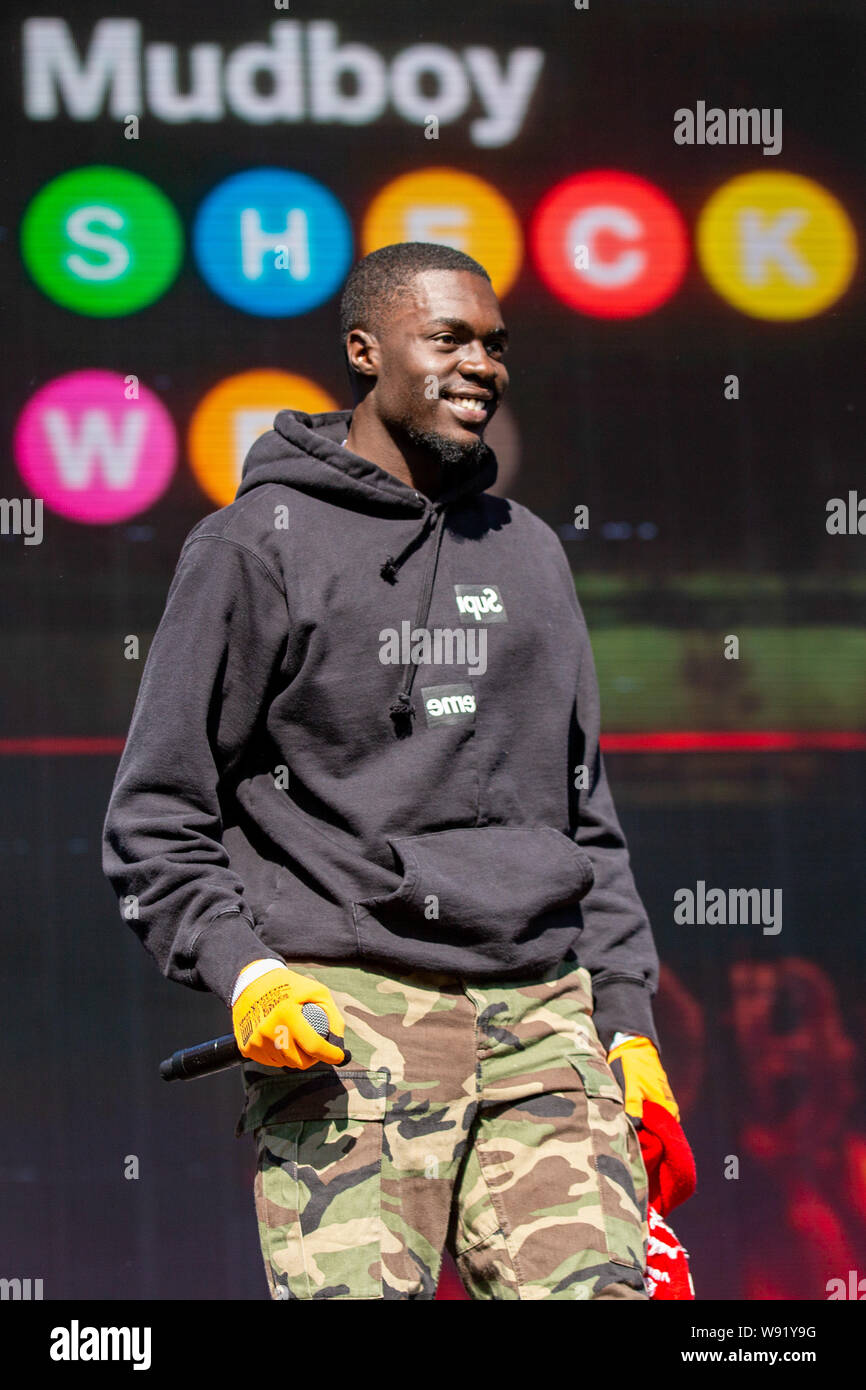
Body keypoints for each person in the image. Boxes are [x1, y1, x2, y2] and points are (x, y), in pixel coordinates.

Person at [102, 241, 687, 1300]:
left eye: (495, 344)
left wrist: (628, 1024)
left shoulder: (527, 550)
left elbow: (582, 816)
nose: (481, 365)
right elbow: (154, 818)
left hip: (544, 1020)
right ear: (364, 351)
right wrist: (249, 974)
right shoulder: (254, 546)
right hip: (349, 1023)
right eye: (449, 337)